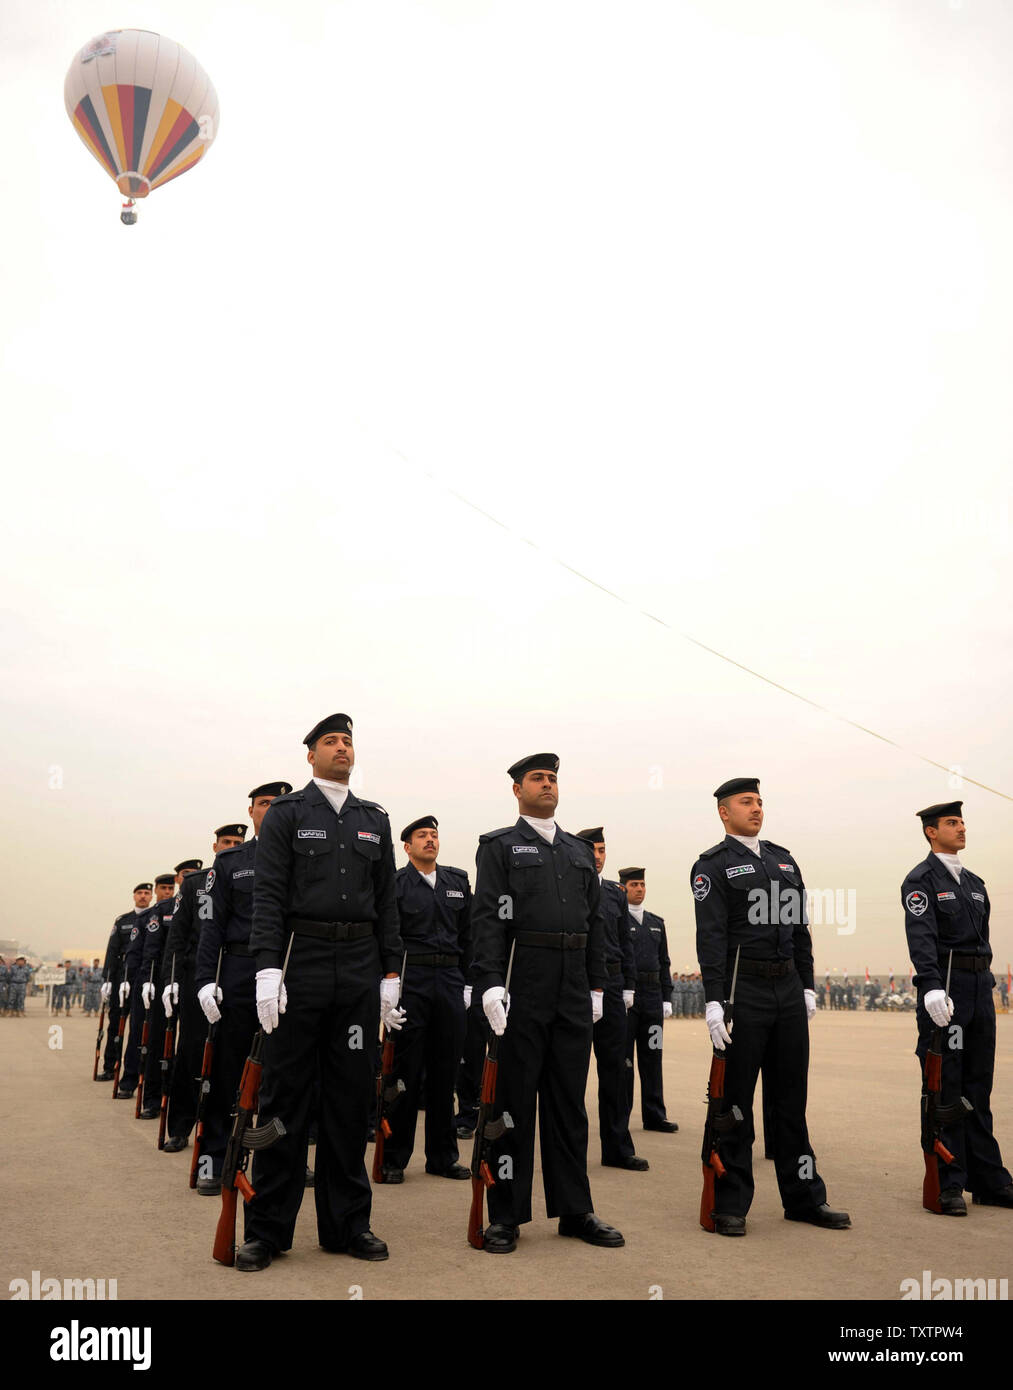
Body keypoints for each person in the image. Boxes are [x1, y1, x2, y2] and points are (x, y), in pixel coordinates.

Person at [236, 712, 403, 1270]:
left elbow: (386, 903)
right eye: (330, 741)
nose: (341, 749)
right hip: (299, 961)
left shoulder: (373, 819)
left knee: (350, 1101)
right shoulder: (287, 814)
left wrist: (389, 974)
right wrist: (266, 967)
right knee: (283, 1099)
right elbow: (269, 896)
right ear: (310, 755)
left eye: (348, 742)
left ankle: (348, 1225)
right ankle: (267, 1230)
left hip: (357, 965)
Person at [469, 752, 624, 1254]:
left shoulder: (579, 851)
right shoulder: (499, 846)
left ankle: (575, 1209)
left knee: (568, 1104)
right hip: (525, 980)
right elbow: (489, 918)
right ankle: (506, 1215)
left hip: (573, 982)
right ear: (517, 789)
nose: (547, 784)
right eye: (538, 778)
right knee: (513, 1103)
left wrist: (597, 985)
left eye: (553, 778)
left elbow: (596, 922)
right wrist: (491, 981)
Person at [691, 777, 850, 1237]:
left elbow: (800, 926)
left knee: (790, 1103)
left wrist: (807, 983)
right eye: (746, 802)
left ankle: (804, 1198)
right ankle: (728, 1202)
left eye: (760, 801)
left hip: (786, 990)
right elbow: (712, 937)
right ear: (724, 812)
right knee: (734, 1104)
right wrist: (715, 1001)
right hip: (744, 994)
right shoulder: (713, 866)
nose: (757, 808)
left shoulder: (783, 859)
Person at [902, 801, 1013, 1214]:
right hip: (946, 993)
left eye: (963, 821)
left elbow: (981, 939)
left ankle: (989, 1179)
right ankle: (948, 1181)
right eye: (952, 822)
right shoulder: (920, 881)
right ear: (932, 831)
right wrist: (930, 986)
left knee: (978, 1086)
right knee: (944, 1089)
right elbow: (922, 938)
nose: (962, 828)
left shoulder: (975, 883)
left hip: (979, 987)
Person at [194, 784, 291, 1194]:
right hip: (237, 969)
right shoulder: (230, 862)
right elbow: (209, 923)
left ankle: (278, 1164)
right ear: (251, 811)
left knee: (284, 1073)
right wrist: (204, 980)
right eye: (265, 804)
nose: (271, 811)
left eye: (279, 805)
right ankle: (213, 1159)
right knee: (229, 1068)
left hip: (287, 973)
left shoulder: (301, 859)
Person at [379, 815, 471, 1183]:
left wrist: (469, 983)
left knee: (445, 1072)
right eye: (422, 836)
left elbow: (469, 935)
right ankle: (394, 1158)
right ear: (407, 846)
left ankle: (443, 1156)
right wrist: (387, 985)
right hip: (411, 980)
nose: (430, 840)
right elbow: (385, 935)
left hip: (449, 979)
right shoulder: (396, 884)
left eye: (434, 835)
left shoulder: (457, 882)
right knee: (405, 1073)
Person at [576, 828, 645, 1172]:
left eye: (602, 849)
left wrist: (629, 984)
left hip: (615, 984)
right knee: (572, 1072)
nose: (599, 855)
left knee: (616, 1070)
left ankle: (617, 1147)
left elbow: (625, 941)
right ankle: (571, 1150)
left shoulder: (615, 894)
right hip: (579, 985)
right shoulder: (569, 886)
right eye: (593, 849)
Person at [621, 867, 678, 1134]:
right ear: (624, 888)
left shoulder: (657, 923)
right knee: (625, 1062)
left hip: (653, 999)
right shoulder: (618, 920)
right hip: (629, 1001)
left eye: (642, 884)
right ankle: (621, 1116)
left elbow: (665, 962)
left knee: (652, 1057)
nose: (640, 889)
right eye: (634, 884)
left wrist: (667, 997)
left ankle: (655, 1115)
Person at [96, 884, 152, 1080]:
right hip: (121, 978)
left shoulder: (154, 917)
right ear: (134, 896)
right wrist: (108, 979)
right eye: (140, 893)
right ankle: (110, 1066)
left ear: (151, 896)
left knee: (140, 1028)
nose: (143, 896)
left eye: (147, 893)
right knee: (115, 1026)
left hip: (144, 978)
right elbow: (112, 951)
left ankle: (137, 1071)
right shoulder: (122, 921)